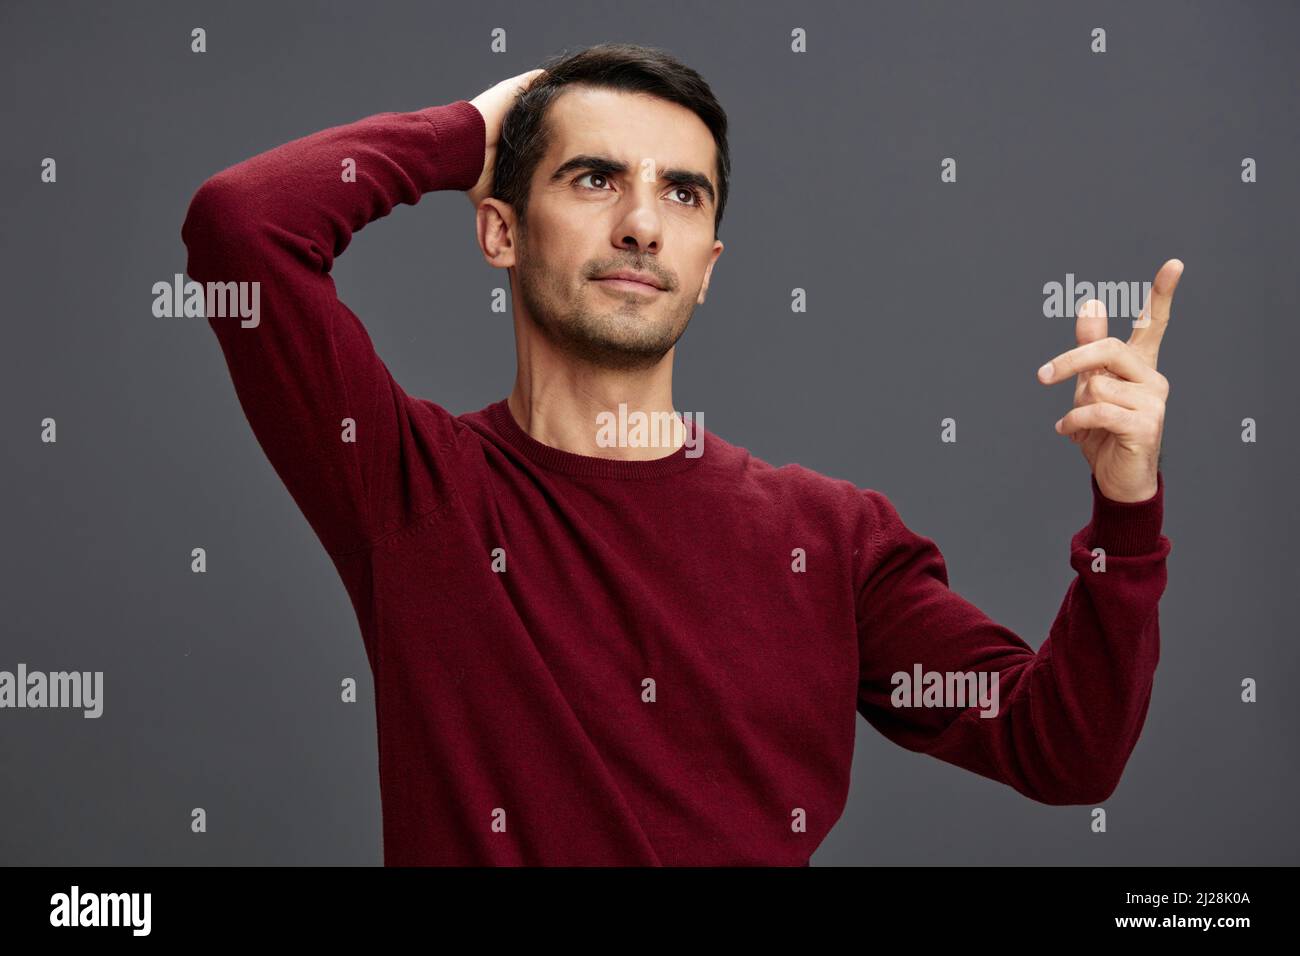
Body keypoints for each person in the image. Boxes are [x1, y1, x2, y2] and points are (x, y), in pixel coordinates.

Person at [180, 42, 1179, 866]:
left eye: (683, 195)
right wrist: (473, 131)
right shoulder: (411, 487)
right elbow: (241, 226)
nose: (641, 223)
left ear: (706, 269)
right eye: (593, 177)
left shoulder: (830, 542)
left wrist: (1125, 510)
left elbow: (1065, 750)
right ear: (499, 229)